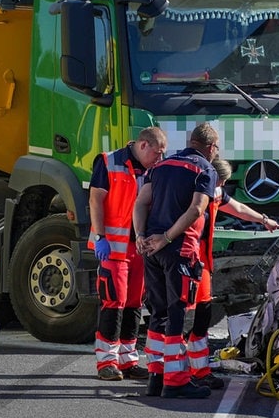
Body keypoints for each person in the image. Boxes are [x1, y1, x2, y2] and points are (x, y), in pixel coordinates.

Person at [133, 122, 220, 399]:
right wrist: (168, 238)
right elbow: (196, 209)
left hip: (151, 249)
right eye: (216, 150)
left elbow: (140, 202)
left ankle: (156, 377)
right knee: (177, 314)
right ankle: (176, 380)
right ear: (210, 148)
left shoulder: (161, 166)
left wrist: (140, 236)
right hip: (178, 249)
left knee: (157, 313)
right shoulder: (205, 169)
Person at [187, 158, 279, 389]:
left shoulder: (214, 192)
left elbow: (238, 208)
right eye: (223, 181)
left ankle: (197, 371)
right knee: (183, 317)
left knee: (201, 315)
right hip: (189, 259)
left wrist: (264, 220)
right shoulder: (198, 193)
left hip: (201, 263)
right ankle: (177, 372)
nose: (222, 187)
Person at [89, 126, 167, 381]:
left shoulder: (153, 169)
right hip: (114, 247)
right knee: (114, 301)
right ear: (144, 146)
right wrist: (100, 237)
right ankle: (106, 362)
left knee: (134, 303)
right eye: (157, 153)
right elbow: (95, 200)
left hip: (140, 248)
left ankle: (127, 360)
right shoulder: (108, 161)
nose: (159, 159)